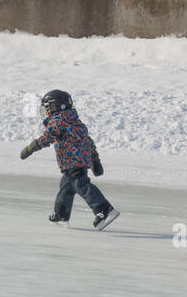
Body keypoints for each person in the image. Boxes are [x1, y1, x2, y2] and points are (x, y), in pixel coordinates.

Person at [20, 89, 119, 231]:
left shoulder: (58, 120)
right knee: (66, 188)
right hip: (76, 161)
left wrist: (31, 148)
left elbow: (48, 137)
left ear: (59, 106)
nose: (47, 112)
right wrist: (95, 159)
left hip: (73, 161)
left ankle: (104, 209)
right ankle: (61, 215)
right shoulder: (75, 121)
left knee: (82, 186)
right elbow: (88, 141)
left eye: (50, 108)